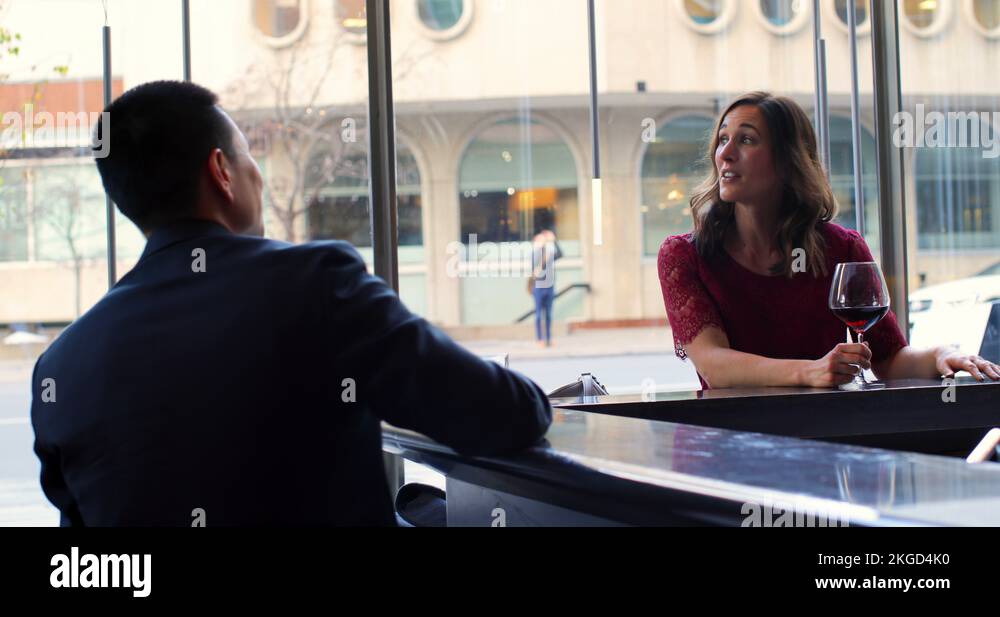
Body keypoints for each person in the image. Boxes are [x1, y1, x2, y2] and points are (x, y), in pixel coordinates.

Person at [30, 81, 552, 526]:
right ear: (222, 171)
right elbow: (501, 413)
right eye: (249, 157)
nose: (257, 175)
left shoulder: (61, 366)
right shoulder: (316, 282)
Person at [658, 91, 1000, 390]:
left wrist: (943, 354)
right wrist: (812, 371)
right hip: (729, 443)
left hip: (825, 434)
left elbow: (890, 359)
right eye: (722, 139)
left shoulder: (842, 248)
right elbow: (715, 366)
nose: (725, 154)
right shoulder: (684, 256)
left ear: (787, 159)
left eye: (746, 140)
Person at [530, 229, 562, 348]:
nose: (543, 240)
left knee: (548, 314)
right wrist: (542, 245)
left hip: (549, 286)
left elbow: (560, 254)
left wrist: (554, 240)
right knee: (538, 314)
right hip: (538, 287)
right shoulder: (535, 253)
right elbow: (535, 265)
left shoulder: (549, 254)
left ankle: (549, 338)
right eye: (540, 238)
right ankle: (539, 339)